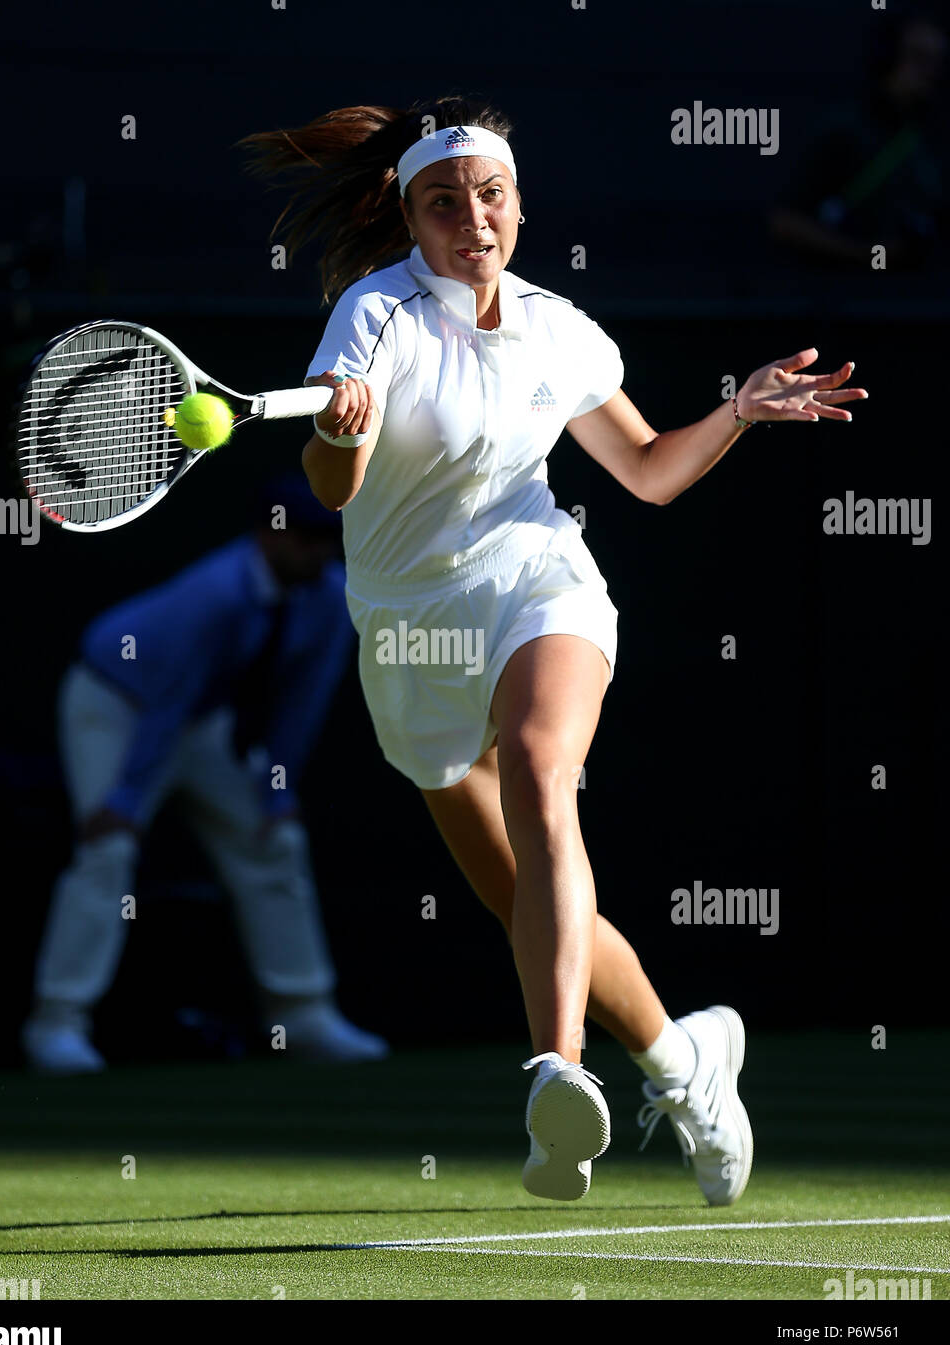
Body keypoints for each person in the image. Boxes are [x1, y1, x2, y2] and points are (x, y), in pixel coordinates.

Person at [240, 99, 867, 1203]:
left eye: (489, 197)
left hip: (537, 579)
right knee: (523, 890)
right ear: (411, 214)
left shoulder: (557, 328)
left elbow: (644, 471)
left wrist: (739, 410)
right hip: (404, 626)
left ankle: (555, 1074)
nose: (470, 220)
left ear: (519, 207)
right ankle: (687, 1067)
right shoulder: (371, 318)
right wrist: (337, 434)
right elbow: (332, 490)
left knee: (541, 771)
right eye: (444, 202)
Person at [22, 475, 389, 1073]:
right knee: (109, 846)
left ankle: (303, 1015)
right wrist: (124, 799)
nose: (319, 552)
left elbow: (301, 704)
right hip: (114, 702)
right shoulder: (216, 595)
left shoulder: (330, 598)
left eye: (328, 538)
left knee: (277, 838)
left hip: (197, 721)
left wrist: (278, 789)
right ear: (267, 536)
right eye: (304, 538)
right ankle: (55, 1026)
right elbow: (169, 699)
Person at [769, 9, 947, 271]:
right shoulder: (846, 130)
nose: (929, 72)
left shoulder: (933, 137)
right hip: (848, 296)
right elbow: (785, 222)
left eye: (937, 61)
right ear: (888, 57)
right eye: (918, 57)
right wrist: (867, 256)